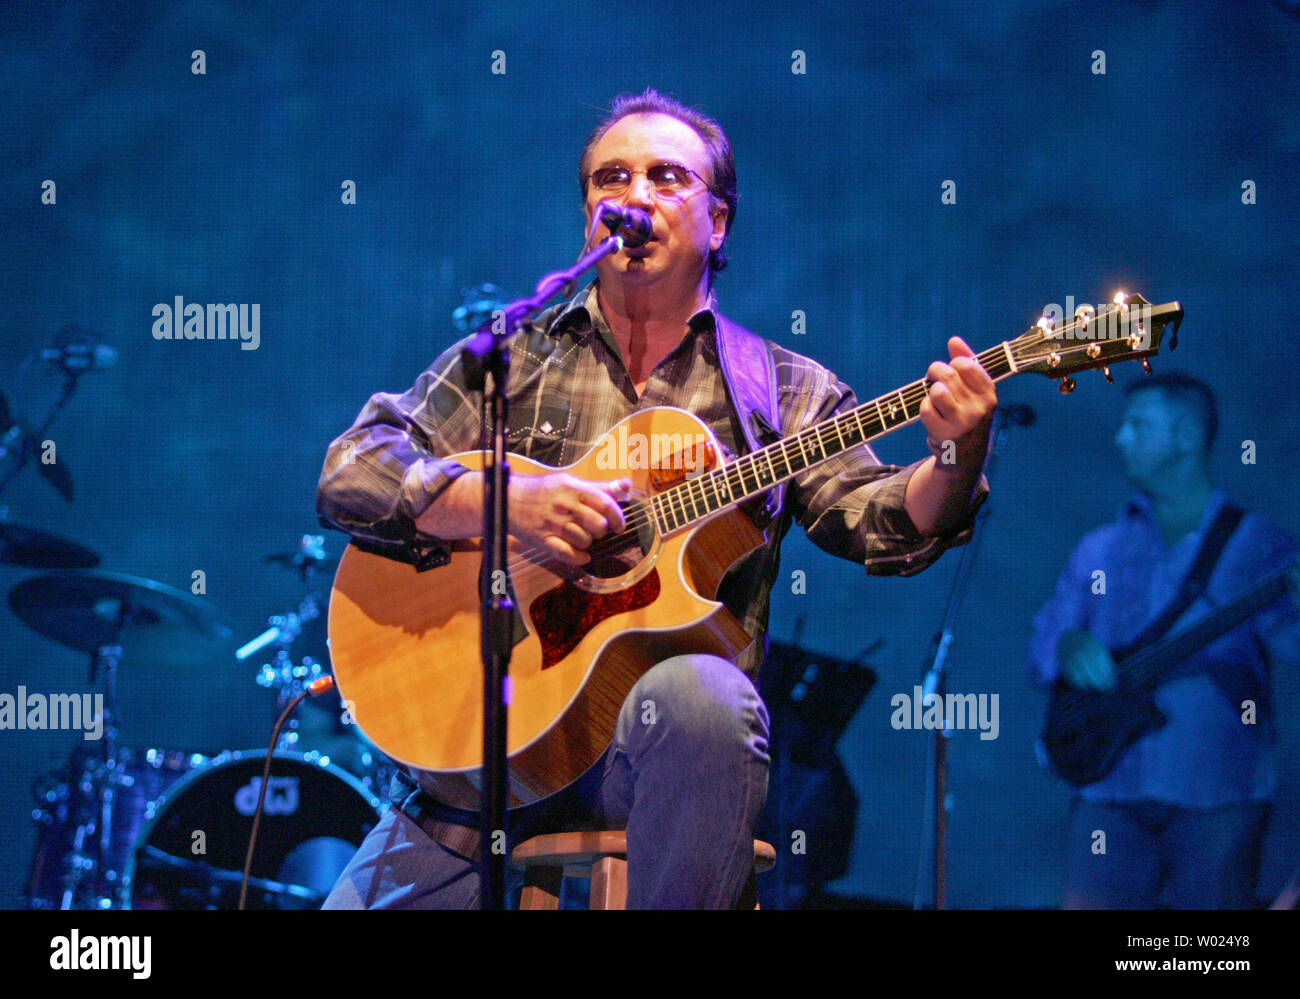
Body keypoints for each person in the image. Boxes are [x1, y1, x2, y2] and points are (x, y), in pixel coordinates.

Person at [315, 88, 996, 909]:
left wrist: (955, 455)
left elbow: (880, 523)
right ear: (589, 217)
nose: (634, 196)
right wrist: (503, 503)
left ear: (718, 223)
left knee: (706, 698)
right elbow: (353, 469)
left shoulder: (777, 390)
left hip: (654, 765)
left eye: (667, 177)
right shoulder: (515, 355)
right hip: (482, 753)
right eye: (613, 178)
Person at [1029, 373, 1300, 909]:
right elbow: (1044, 641)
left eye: (1138, 425)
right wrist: (1067, 647)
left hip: (1216, 789)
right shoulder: (1099, 548)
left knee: (1207, 955)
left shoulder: (1259, 544)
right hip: (1110, 787)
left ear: (1187, 435)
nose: (1120, 438)